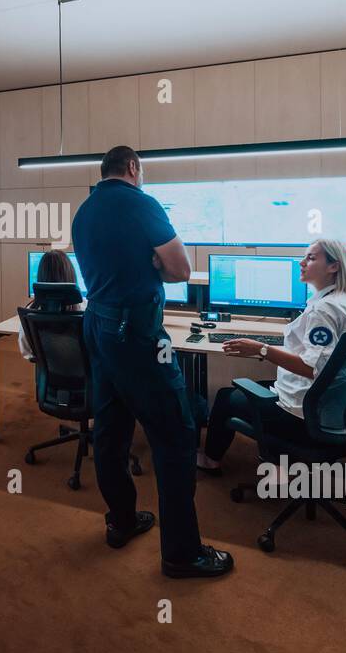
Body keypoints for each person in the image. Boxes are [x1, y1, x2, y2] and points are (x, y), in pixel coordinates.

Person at [72, 145, 233, 579]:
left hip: (98, 328)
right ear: (132, 167)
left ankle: (121, 521)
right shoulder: (142, 203)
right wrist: (155, 265)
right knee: (176, 434)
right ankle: (182, 553)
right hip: (137, 333)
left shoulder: (83, 211)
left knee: (110, 431)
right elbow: (181, 269)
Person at [196, 238, 346, 478]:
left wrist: (261, 349)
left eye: (311, 258)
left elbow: (313, 369)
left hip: (303, 416)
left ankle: (210, 461)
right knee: (256, 389)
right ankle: (278, 461)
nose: (302, 263)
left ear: (334, 266)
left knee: (226, 397)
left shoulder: (324, 310)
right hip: (336, 410)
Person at [18, 249, 83, 361]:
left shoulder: (31, 312)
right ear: (71, 276)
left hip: (49, 376)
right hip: (82, 376)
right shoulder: (85, 310)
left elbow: (26, 350)